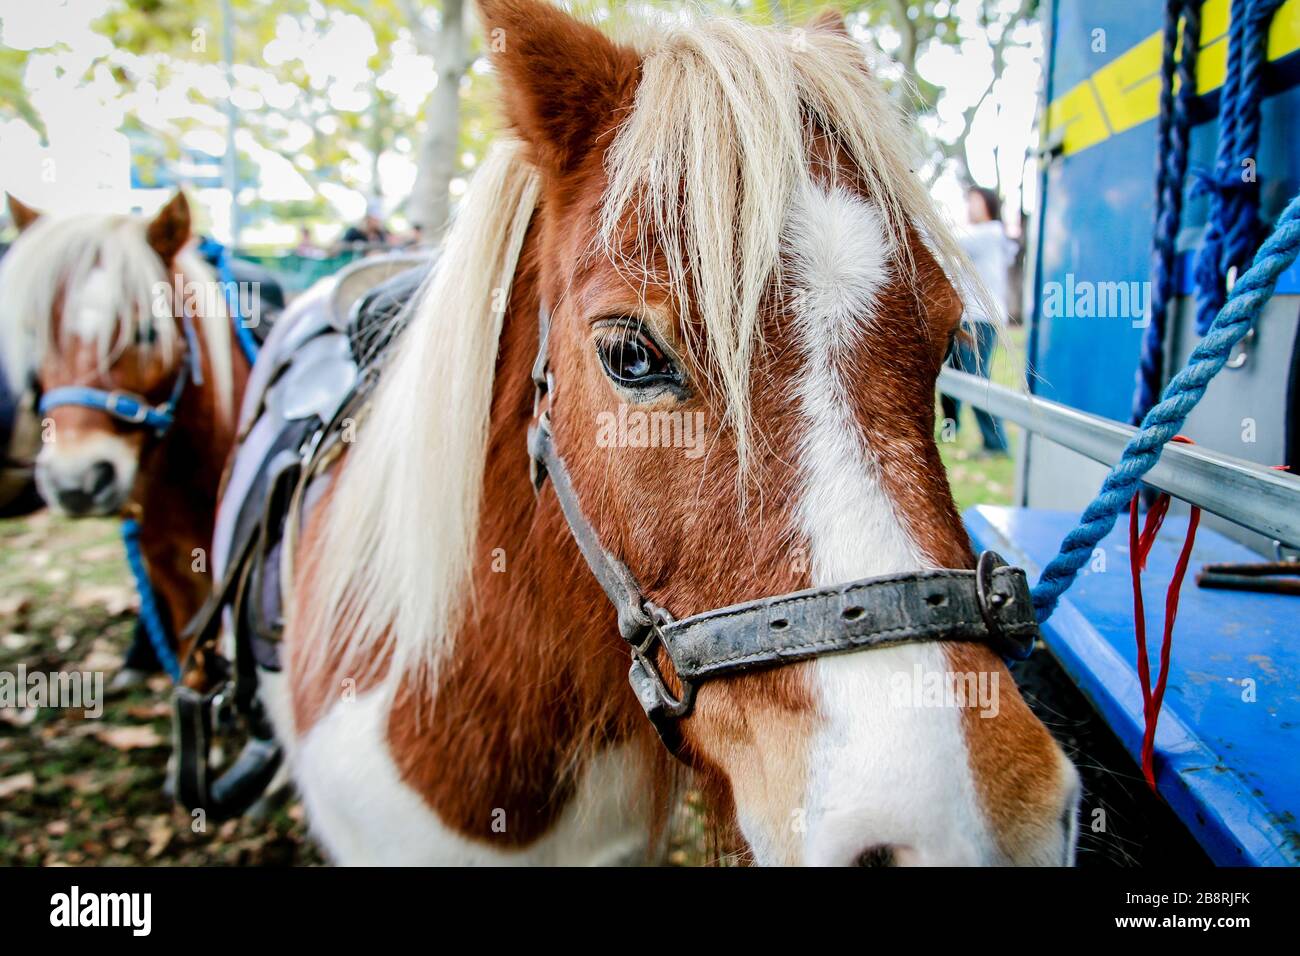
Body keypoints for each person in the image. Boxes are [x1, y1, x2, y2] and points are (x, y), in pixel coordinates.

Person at [942, 185, 1014, 455]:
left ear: (989, 206)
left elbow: (947, 241)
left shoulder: (990, 233)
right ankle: (949, 433)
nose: (969, 207)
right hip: (966, 318)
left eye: (974, 201)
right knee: (949, 382)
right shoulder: (982, 236)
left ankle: (996, 444)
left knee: (976, 380)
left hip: (980, 320)